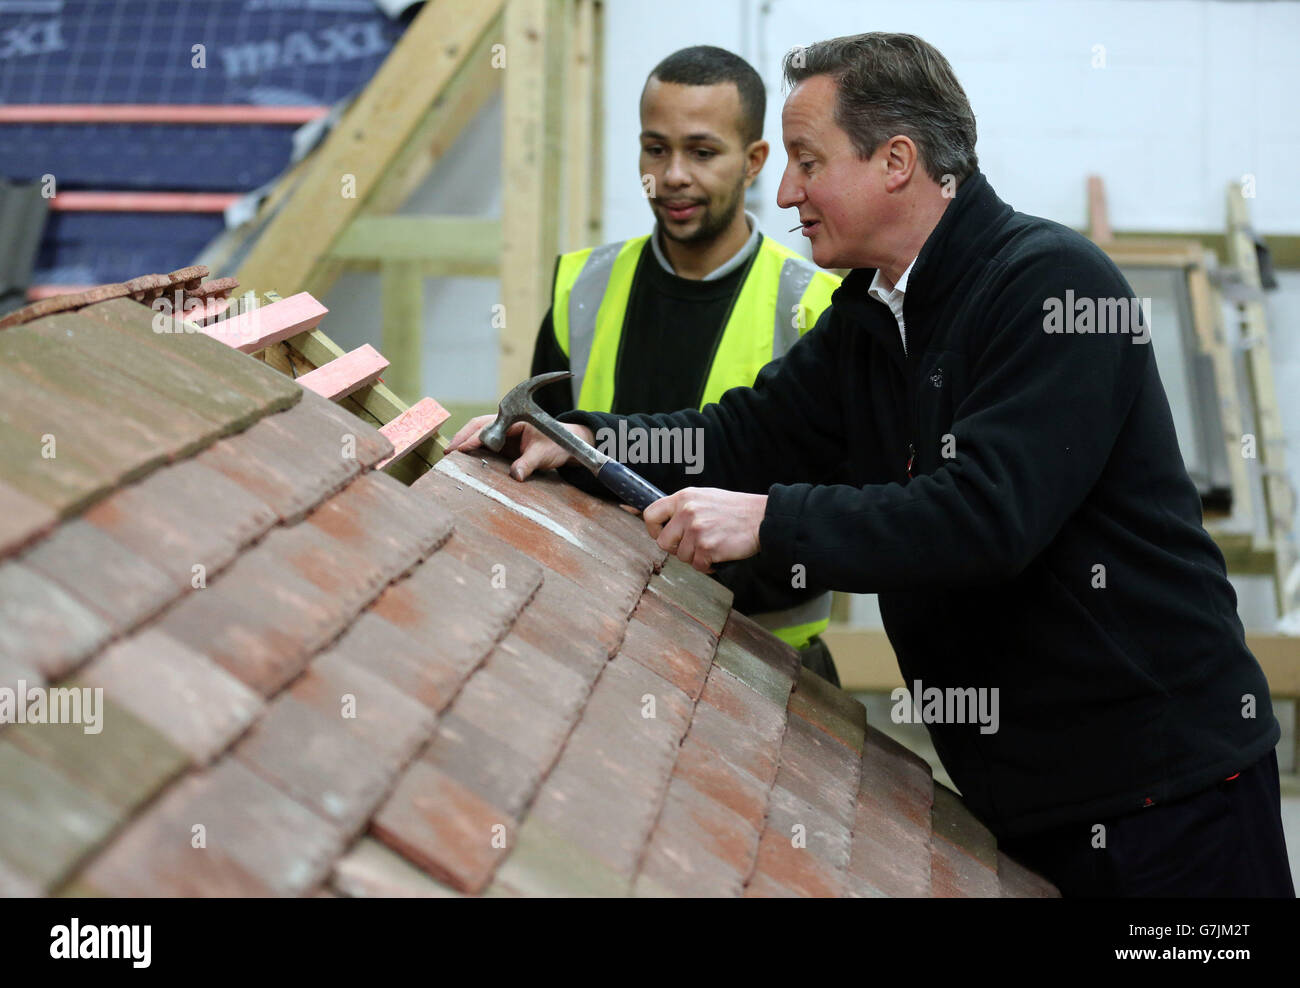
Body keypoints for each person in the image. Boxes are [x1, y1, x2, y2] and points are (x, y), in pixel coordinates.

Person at [452, 32, 1295, 897]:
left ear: (896, 161)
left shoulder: (1051, 290)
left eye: (808, 162)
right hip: (1028, 793)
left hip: (1171, 795)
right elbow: (747, 432)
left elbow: (985, 517)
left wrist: (768, 521)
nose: (784, 192)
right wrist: (589, 439)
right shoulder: (874, 311)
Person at [528, 45, 844, 684]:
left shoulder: (819, 309)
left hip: (766, 668)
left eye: (702, 152)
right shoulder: (581, 288)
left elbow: (837, 508)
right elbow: (546, 465)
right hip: (601, 650)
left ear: (754, 161)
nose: (672, 175)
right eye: (655, 149)